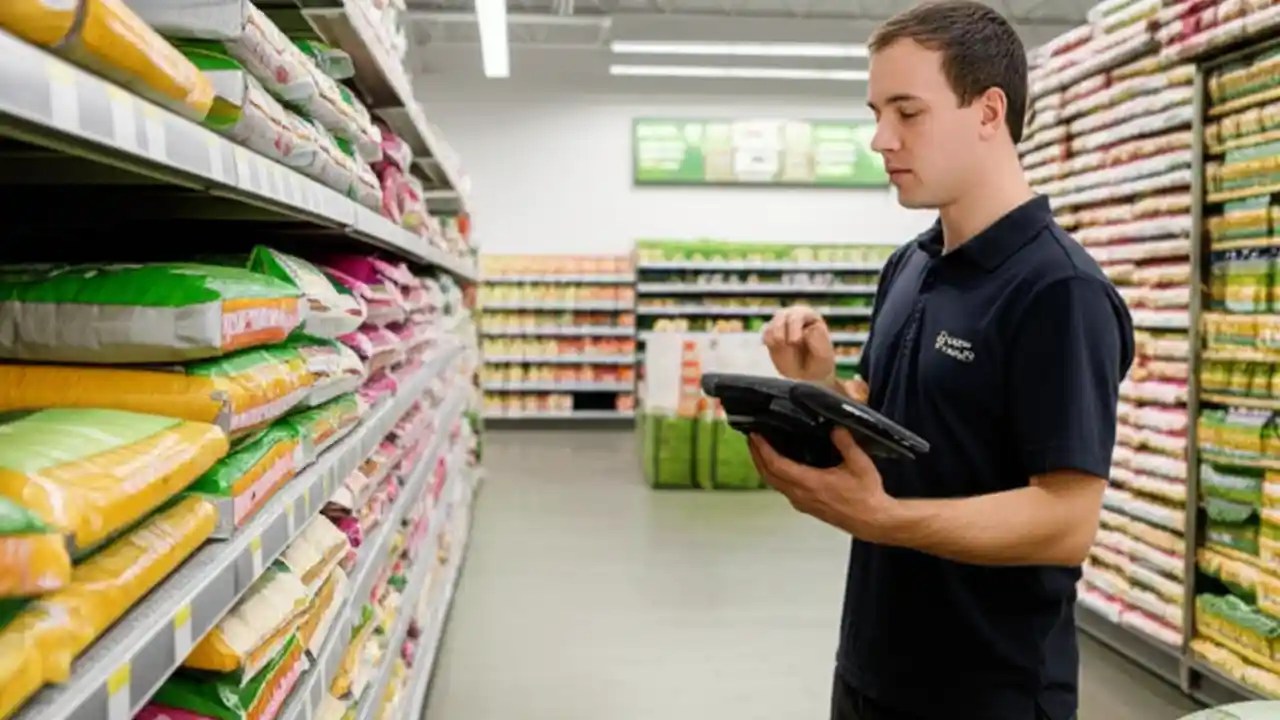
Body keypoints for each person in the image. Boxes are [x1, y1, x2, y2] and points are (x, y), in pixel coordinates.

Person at [752, 3, 1136, 720]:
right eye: (876, 111)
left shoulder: (1060, 291)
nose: (879, 139)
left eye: (908, 112)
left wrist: (883, 519)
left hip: (987, 693)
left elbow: (1066, 520)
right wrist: (818, 387)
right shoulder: (910, 265)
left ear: (989, 111)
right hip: (873, 668)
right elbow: (885, 423)